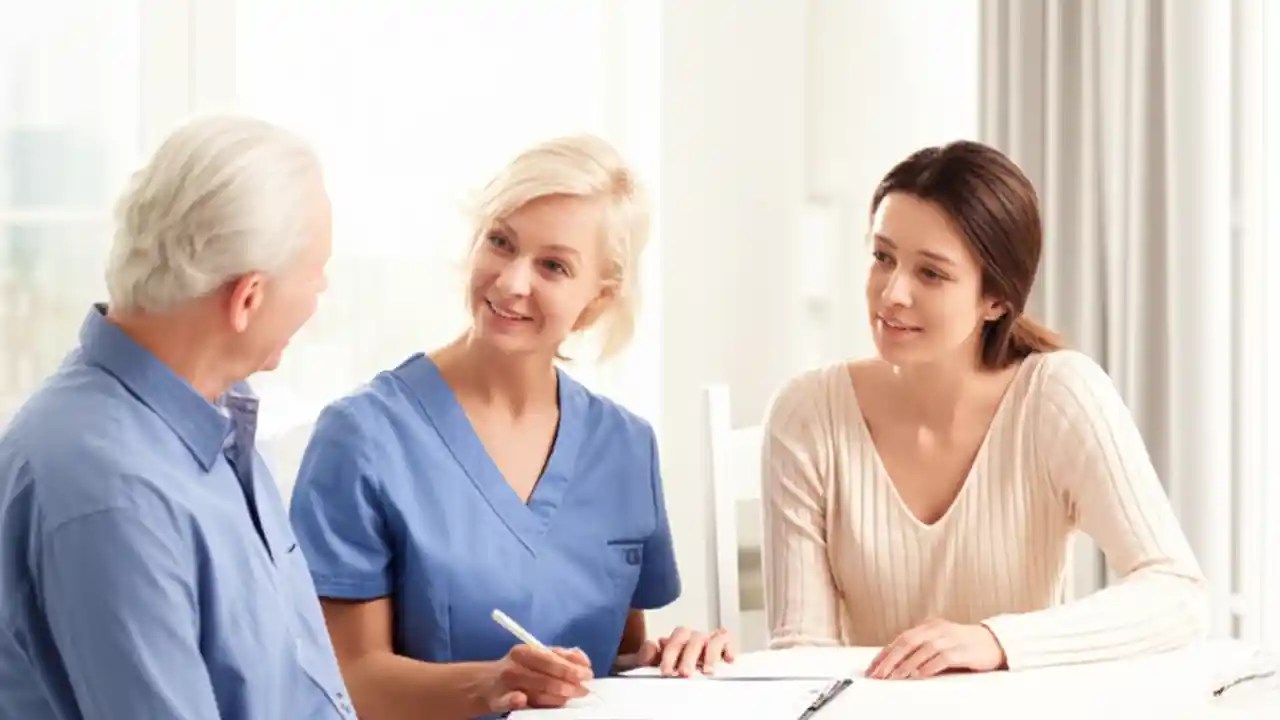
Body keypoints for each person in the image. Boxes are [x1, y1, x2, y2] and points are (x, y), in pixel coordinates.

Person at [288, 134, 734, 720]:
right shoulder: (363, 437)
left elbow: (613, 661)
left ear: (597, 301)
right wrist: (488, 686)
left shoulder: (626, 447)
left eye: (553, 265)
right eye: (500, 242)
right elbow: (342, 676)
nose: (511, 282)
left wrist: (674, 658)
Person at [760, 140, 1209, 681]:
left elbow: (1177, 593)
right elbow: (802, 654)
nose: (892, 293)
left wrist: (997, 640)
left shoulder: (1058, 398)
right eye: (883, 257)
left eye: (931, 273)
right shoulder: (806, 415)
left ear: (996, 299)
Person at [0, 115, 351, 719]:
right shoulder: (111, 493)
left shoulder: (213, 420)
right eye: (317, 273)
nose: (321, 293)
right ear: (248, 297)